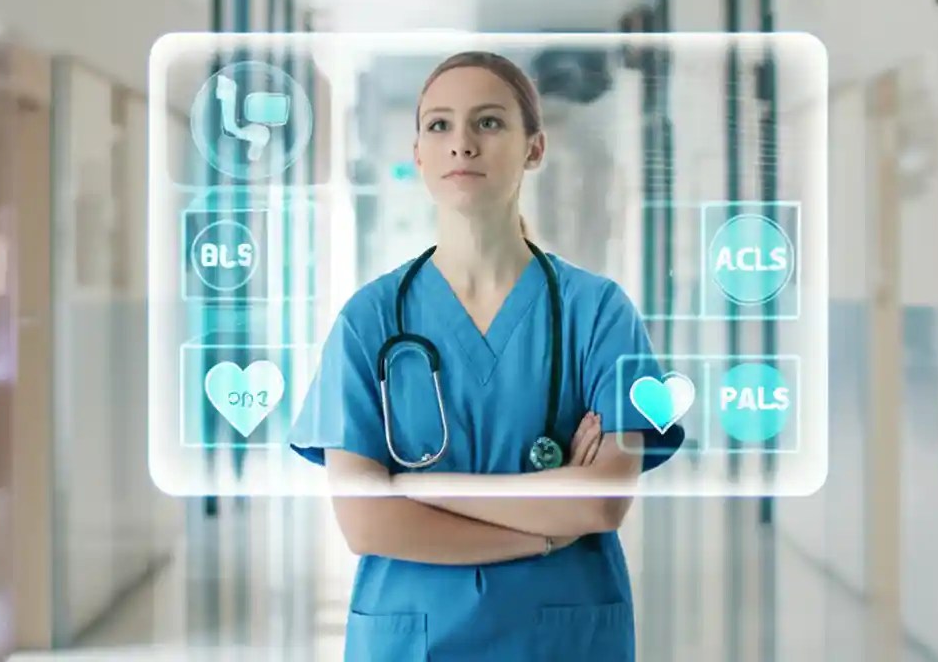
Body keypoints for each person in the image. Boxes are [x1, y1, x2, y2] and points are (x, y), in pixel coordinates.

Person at [288, 50, 686, 661]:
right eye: (439, 125)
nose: (462, 144)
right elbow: (368, 524)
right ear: (418, 153)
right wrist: (548, 531)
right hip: (414, 638)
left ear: (535, 148)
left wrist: (422, 486)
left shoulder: (600, 313)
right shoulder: (368, 321)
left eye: (490, 122)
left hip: (564, 638)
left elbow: (602, 502)